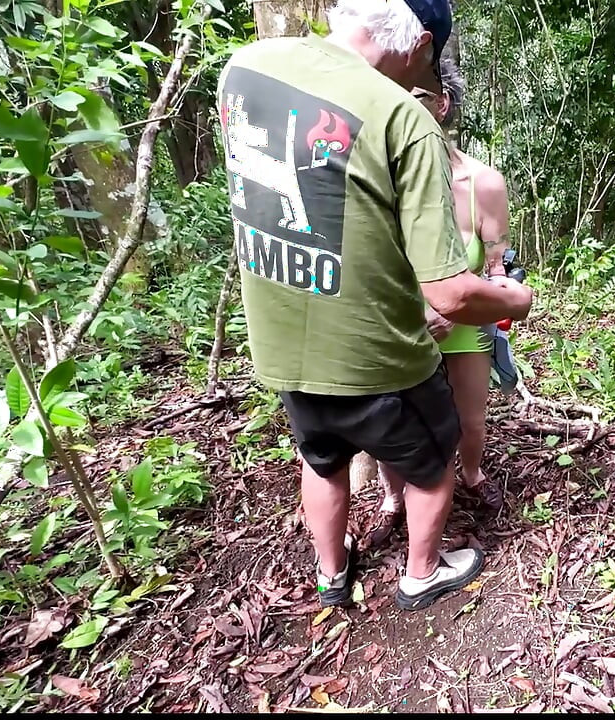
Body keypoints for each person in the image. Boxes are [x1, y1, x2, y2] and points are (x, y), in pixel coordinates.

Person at [216, 0, 532, 612]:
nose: (426, 79)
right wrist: (514, 299)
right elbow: (451, 292)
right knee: (433, 461)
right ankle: (421, 573)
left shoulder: (245, 67)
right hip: (375, 353)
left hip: (281, 344)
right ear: (418, 44)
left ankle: (331, 576)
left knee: (323, 459)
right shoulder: (400, 116)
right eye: (430, 62)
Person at [362, 58, 514, 551]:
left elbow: (496, 267)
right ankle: (392, 498)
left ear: (440, 105)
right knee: (395, 421)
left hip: (464, 321)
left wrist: (495, 305)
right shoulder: (370, 177)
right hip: (400, 323)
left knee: (470, 419)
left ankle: (471, 475)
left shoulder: (483, 183)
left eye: (412, 97)